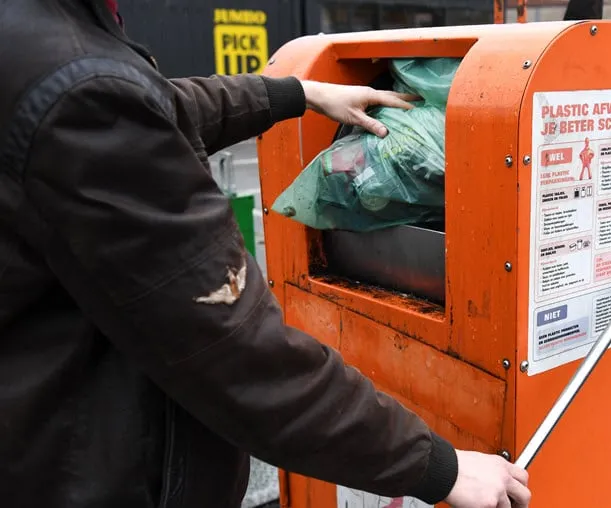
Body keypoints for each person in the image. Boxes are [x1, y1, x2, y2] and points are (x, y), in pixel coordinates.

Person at [0, 1, 531, 508]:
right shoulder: (76, 82)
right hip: (94, 475)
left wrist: (297, 93)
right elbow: (236, 352)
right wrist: (442, 467)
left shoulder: (38, 39)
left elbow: (155, 106)